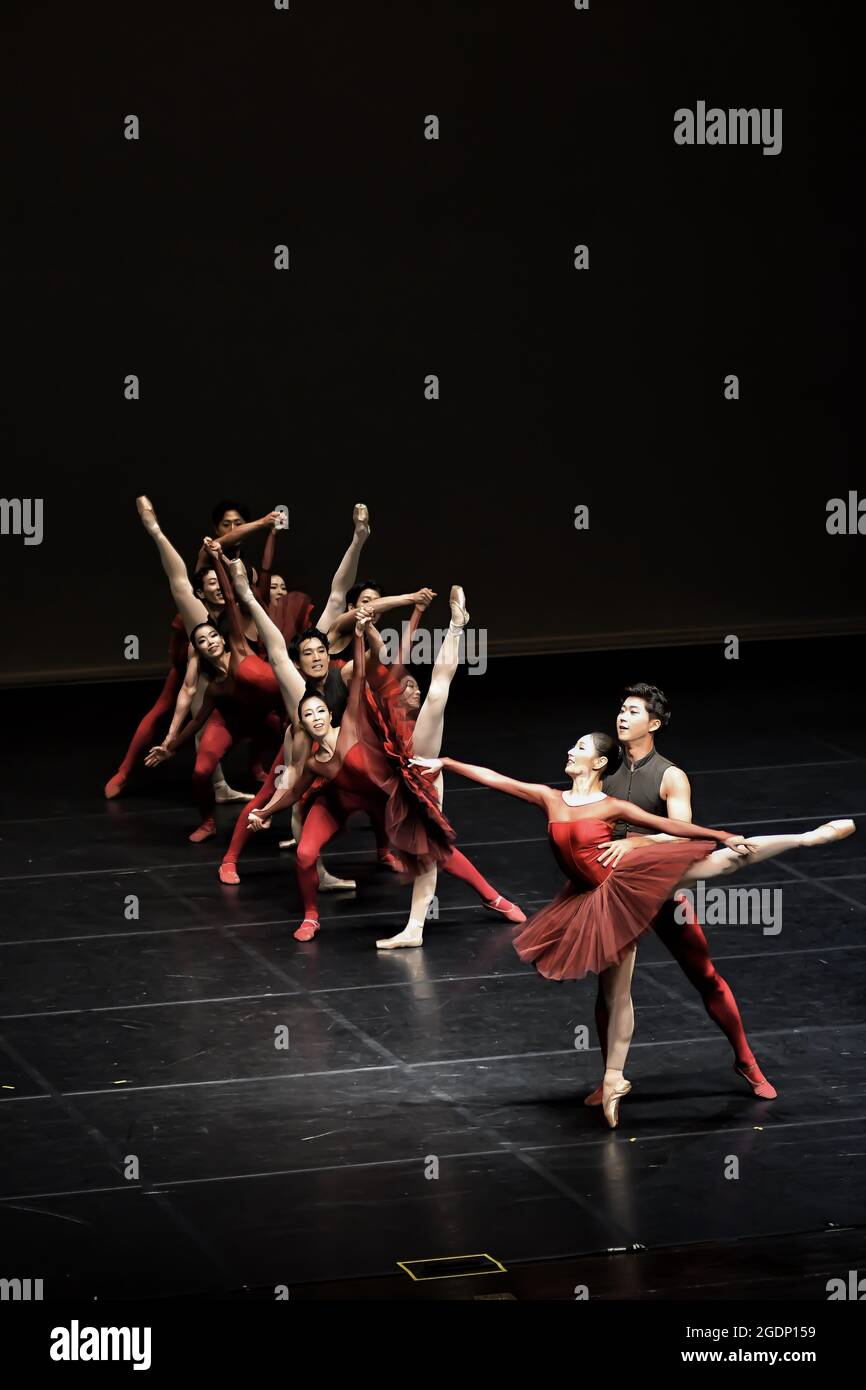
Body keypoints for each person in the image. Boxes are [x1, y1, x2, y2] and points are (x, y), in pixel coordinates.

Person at [412, 735, 855, 1127]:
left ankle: (806, 838)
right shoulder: (550, 798)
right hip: (601, 900)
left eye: (581, 747)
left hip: (631, 878)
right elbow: (496, 779)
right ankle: (613, 1079)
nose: (570, 750)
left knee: (721, 863)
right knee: (613, 993)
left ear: (599, 763)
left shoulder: (613, 806)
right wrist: (447, 764)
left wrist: (718, 832)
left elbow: (671, 828)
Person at [588, 684, 776, 1102]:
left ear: (652, 724)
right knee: (610, 989)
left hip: (659, 891)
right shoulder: (605, 769)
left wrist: (636, 843)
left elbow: (680, 835)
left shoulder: (670, 775)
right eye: (620, 709)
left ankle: (745, 1059)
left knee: (704, 974)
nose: (621, 716)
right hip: (616, 892)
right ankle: (608, 1078)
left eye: (632, 711)